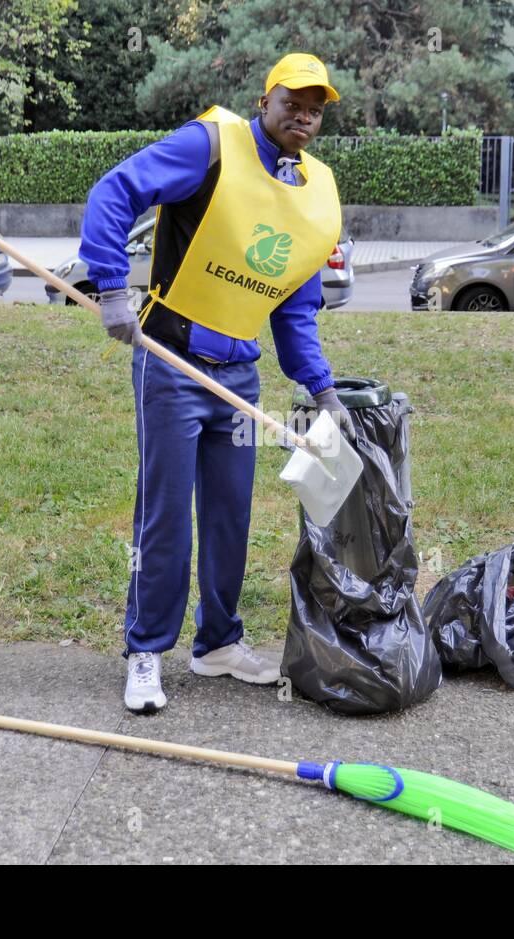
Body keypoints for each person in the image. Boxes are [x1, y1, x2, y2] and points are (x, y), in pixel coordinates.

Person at [79, 53, 355, 713]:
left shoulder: (313, 194)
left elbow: (294, 308)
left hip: (238, 374)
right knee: (165, 517)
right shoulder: (211, 145)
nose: (306, 115)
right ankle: (146, 651)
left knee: (230, 515)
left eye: (317, 106)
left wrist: (322, 390)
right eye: (294, 100)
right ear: (266, 100)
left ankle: (218, 644)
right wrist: (112, 287)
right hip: (170, 364)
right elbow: (114, 191)